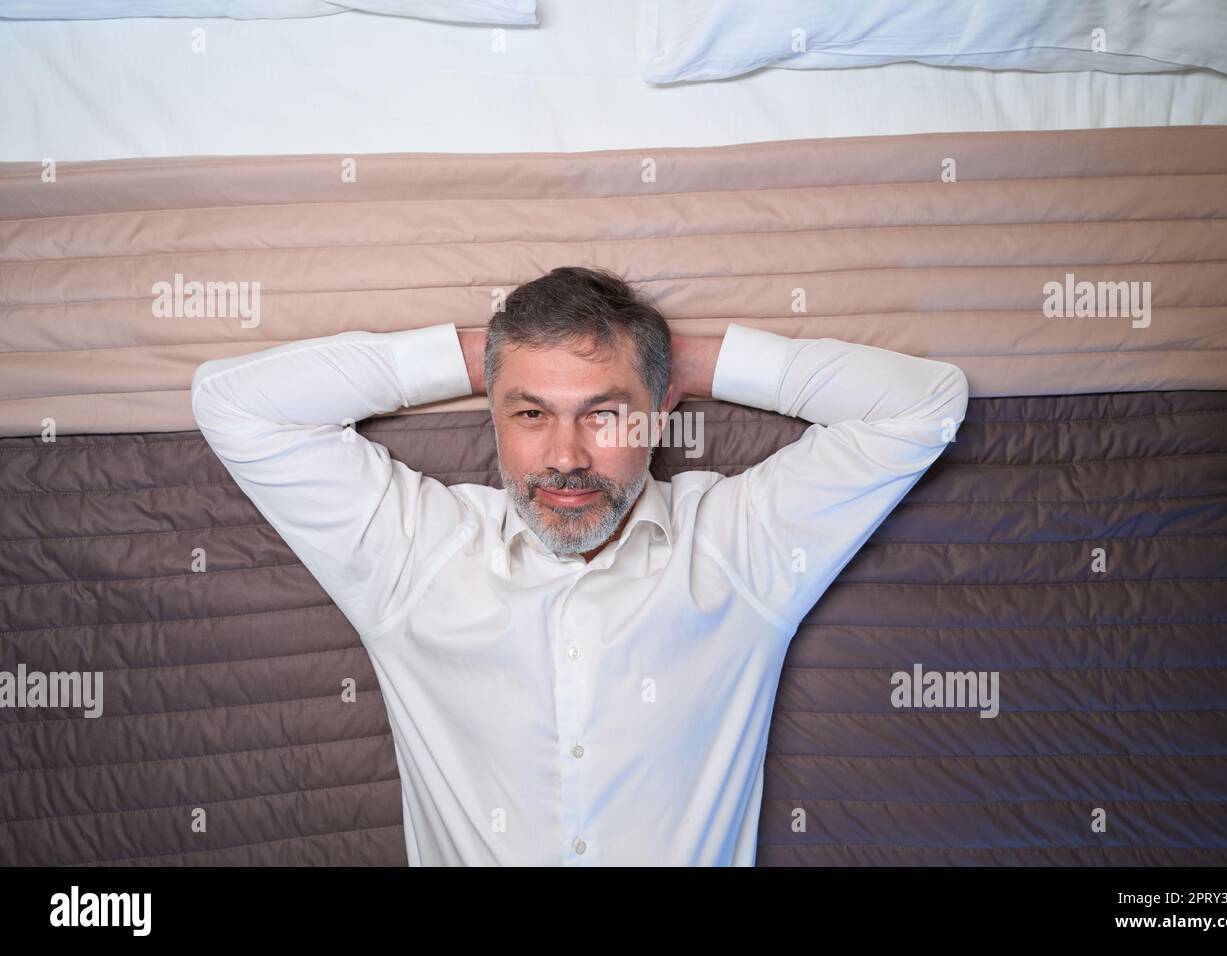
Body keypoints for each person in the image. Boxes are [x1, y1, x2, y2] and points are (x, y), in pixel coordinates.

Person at [190, 265, 969, 866]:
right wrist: (487, 357)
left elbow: (924, 404)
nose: (565, 458)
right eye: (530, 413)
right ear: (493, 415)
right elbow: (236, 404)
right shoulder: (414, 553)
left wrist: (679, 362)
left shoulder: (738, 547)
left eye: (604, 413)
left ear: (659, 412)